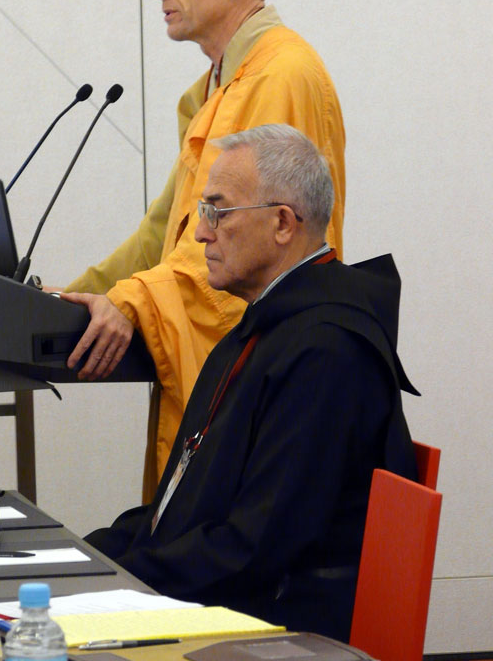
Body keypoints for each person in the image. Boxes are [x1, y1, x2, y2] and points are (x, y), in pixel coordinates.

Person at [83, 125, 418, 642]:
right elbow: (189, 505)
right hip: (224, 599)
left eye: (218, 211)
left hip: (278, 628)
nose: (200, 232)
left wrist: (125, 580)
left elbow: (256, 547)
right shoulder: (266, 327)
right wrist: (88, 556)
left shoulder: (326, 351)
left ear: (283, 223)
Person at [62, 0, 346, 499]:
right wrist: (73, 298)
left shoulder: (280, 75)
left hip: (265, 370)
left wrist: (130, 302)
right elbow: (165, 231)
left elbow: (248, 245)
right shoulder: (221, 84)